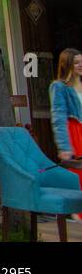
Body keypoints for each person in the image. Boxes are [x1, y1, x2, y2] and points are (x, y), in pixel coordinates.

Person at [49, 47, 82, 194]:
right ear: (67, 64)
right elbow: (58, 117)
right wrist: (64, 147)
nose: (80, 65)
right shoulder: (59, 87)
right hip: (75, 133)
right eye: (76, 62)